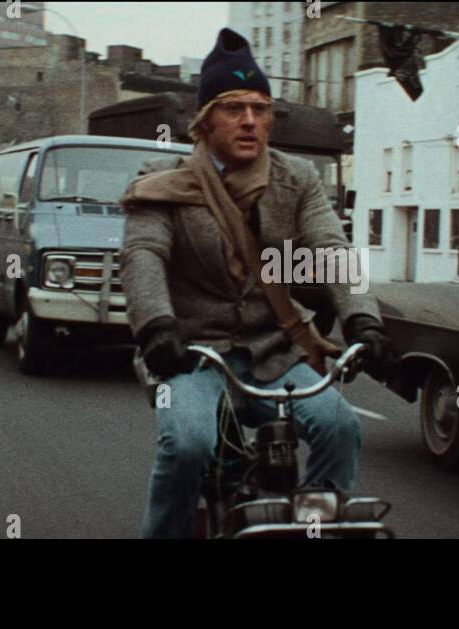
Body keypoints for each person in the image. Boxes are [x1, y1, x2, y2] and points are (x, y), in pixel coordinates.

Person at [119, 28, 400, 539]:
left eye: (260, 108)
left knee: (341, 428)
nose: (250, 120)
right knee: (187, 445)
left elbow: (331, 249)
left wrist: (364, 320)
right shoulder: (161, 180)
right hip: (193, 354)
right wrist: (157, 326)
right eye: (233, 108)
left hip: (275, 352)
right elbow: (143, 254)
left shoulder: (297, 180)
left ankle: (315, 527)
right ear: (204, 123)